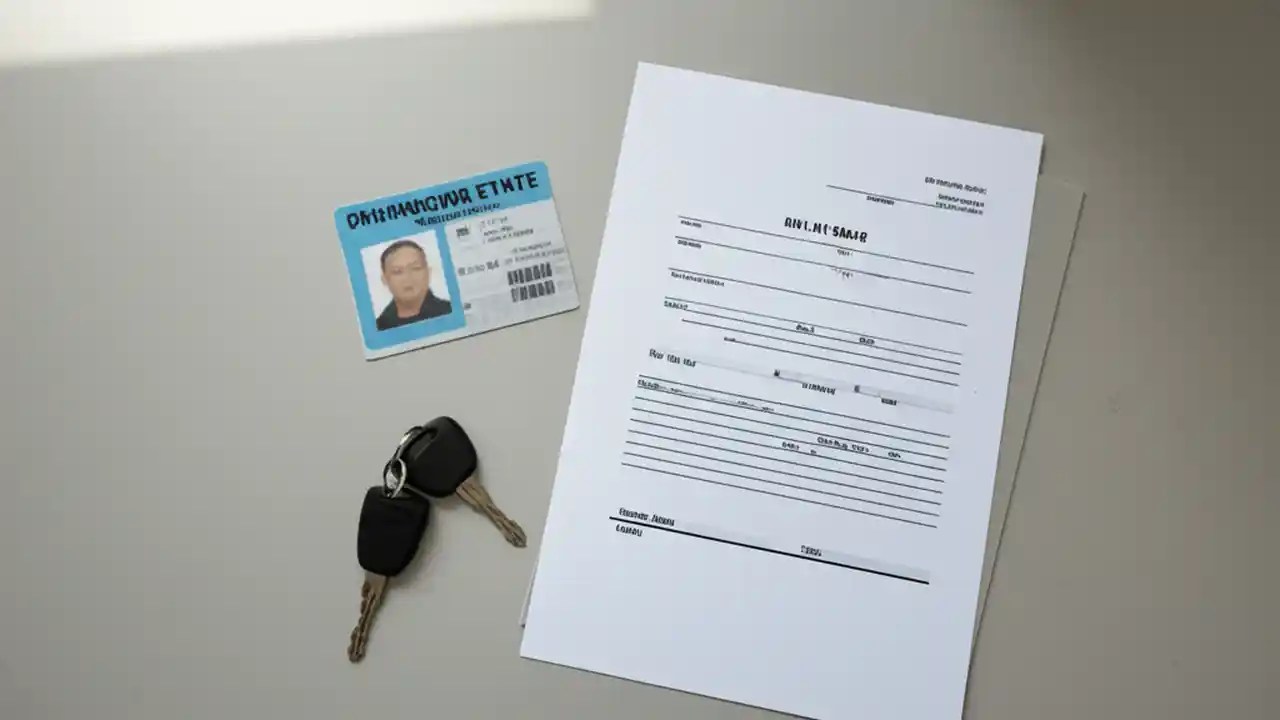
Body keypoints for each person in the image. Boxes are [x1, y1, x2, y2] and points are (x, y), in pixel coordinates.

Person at [374, 239, 453, 330]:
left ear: (428, 272)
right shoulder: (380, 326)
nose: (407, 277)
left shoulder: (451, 311)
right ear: (384, 279)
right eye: (397, 271)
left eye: (416, 268)